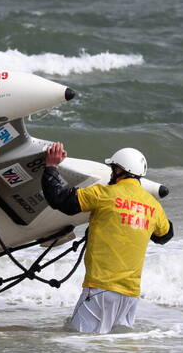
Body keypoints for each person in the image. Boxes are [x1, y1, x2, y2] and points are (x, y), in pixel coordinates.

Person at [41, 142, 174, 333]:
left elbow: (60, 199)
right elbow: (165, 235)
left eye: (112, 169)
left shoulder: (104, 194)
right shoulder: (153, 207)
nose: (111, 174)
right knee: (115, 346)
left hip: (100, 289)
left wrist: (51, 166)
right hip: (130, 296)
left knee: (78, 341)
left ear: (119, 170)